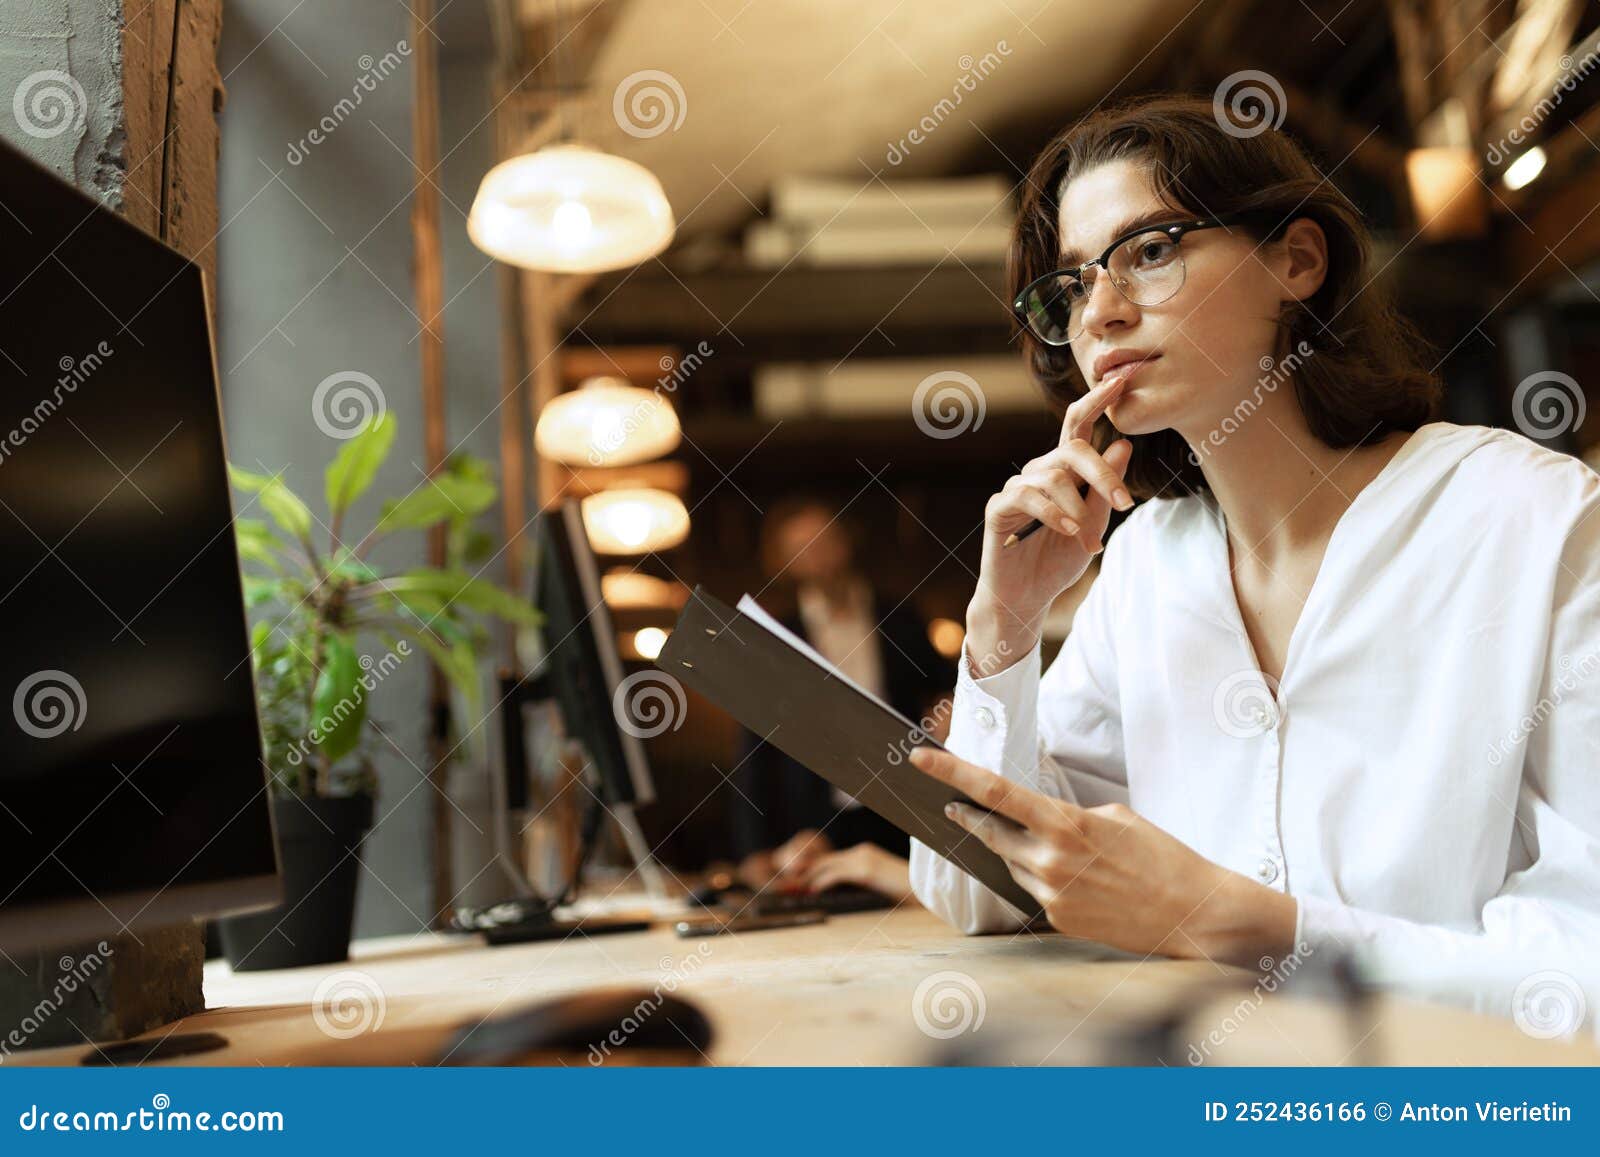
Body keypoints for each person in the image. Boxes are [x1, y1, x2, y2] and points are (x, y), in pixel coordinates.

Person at [906, 93, 1600, 1031]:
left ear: (1297, 260)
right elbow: (976, 893)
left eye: (1150, 250)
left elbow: (1583, 959)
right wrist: (1004, 627)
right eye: (1071, 287)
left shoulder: (1537, 520)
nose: (1100, 313)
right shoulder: (1147, 565)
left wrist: (1239, 922)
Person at [730, 497, 953, 900]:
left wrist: (948, 711)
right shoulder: (777, 635)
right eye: (803, 549)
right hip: (816, 821)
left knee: (919, 904)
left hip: (904, 804)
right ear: (785, 561)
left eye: (824, 542)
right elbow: (755, 742)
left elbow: (948, 686)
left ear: (845, 542)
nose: (818, 558)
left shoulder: (899, 617)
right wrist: (753, 849)